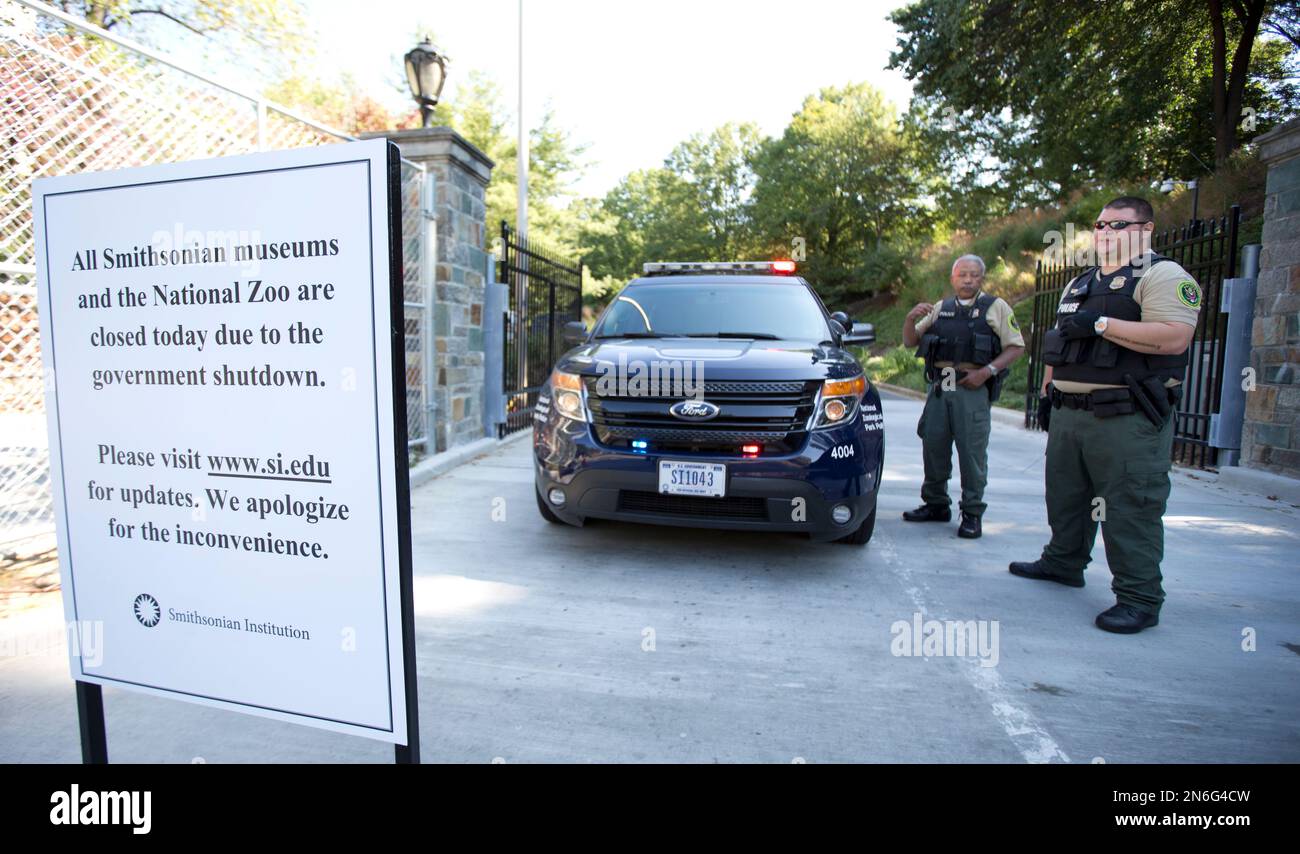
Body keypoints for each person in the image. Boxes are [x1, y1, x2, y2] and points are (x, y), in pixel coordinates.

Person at [1010, 196, 1201, 634]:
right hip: (1070, 414)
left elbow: (1175, 338)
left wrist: (1102, 324)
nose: (1105, 232)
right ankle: (1063, 563)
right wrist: (1049, 387)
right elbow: (1060, 344)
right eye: (1099, 225)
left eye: (1118, 224)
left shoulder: (1162, 275)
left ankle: (1139, 598)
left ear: (1146, 229)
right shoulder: (1079, 283)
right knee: (1066, 497)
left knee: (1129, 507)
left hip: (1126, 417)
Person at [901, 254, 1025, 539]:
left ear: (982, 279)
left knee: (971, 452)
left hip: (971, 388)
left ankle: (972, 512)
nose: (968, 280)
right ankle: (935, 504)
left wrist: (987, 372)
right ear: (953, 278)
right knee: (933, 445)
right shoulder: (941, 308)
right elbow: (911, 341)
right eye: (962, 275)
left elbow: (1016, 347)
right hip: (939, 388)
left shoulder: (996, 307)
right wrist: (910, 318)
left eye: (974, 275)